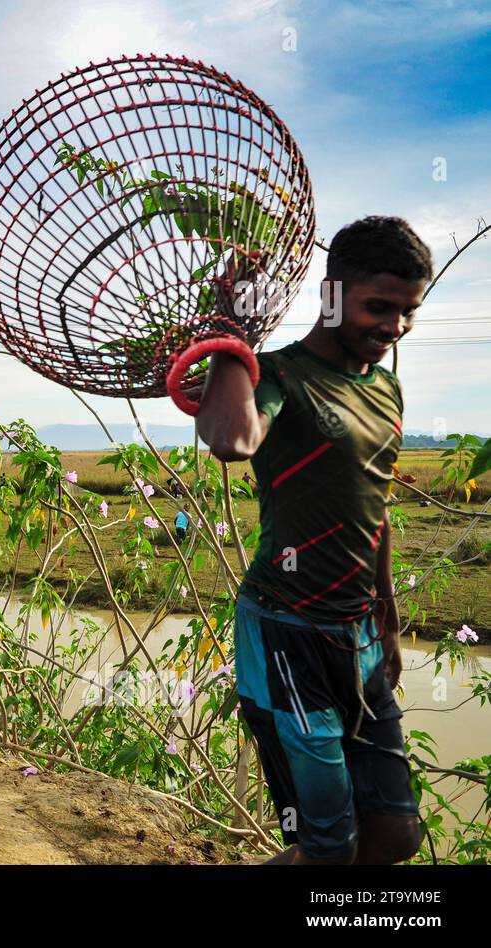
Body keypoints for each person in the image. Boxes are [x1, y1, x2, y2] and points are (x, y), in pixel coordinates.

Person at [196, 216, 431, 865]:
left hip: (356, 631)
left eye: (408, 311)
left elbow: (373, 508)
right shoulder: (277, 375)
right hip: (285, 635)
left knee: (394, 834)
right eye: (379, 307)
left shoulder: (385, 389)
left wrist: (386, 616)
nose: (395, 327)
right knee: (326, 845)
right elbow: (229, 438)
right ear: (332, 294)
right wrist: (230, 330)